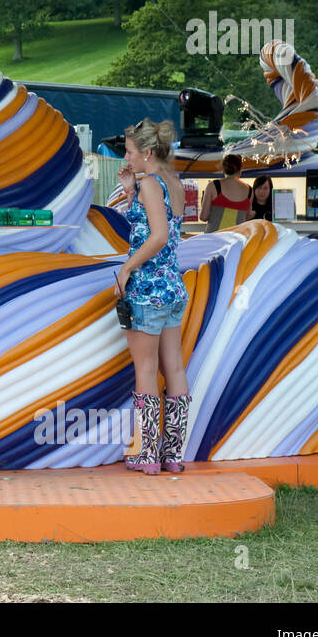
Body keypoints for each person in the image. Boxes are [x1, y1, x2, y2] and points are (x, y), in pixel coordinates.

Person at [114, 118, 191, 474]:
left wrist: (128, 268)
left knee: (145, 370)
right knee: (173, 368)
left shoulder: (150, 184)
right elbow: (159, 228)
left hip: (147, 290)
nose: (126, 158)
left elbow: (157, 236)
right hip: (172, 288)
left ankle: (146, 454)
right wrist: (131, 192)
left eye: (130, 152)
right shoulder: (171, 182)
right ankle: (172, 455)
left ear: (146, 152)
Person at [201, 153, 252, 230]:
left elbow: (203, 217)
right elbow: (247, 216)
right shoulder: (249, 190)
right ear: (240, 170)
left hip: (215, 237)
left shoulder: (213, 186)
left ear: (223, 169)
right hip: (238, 238)